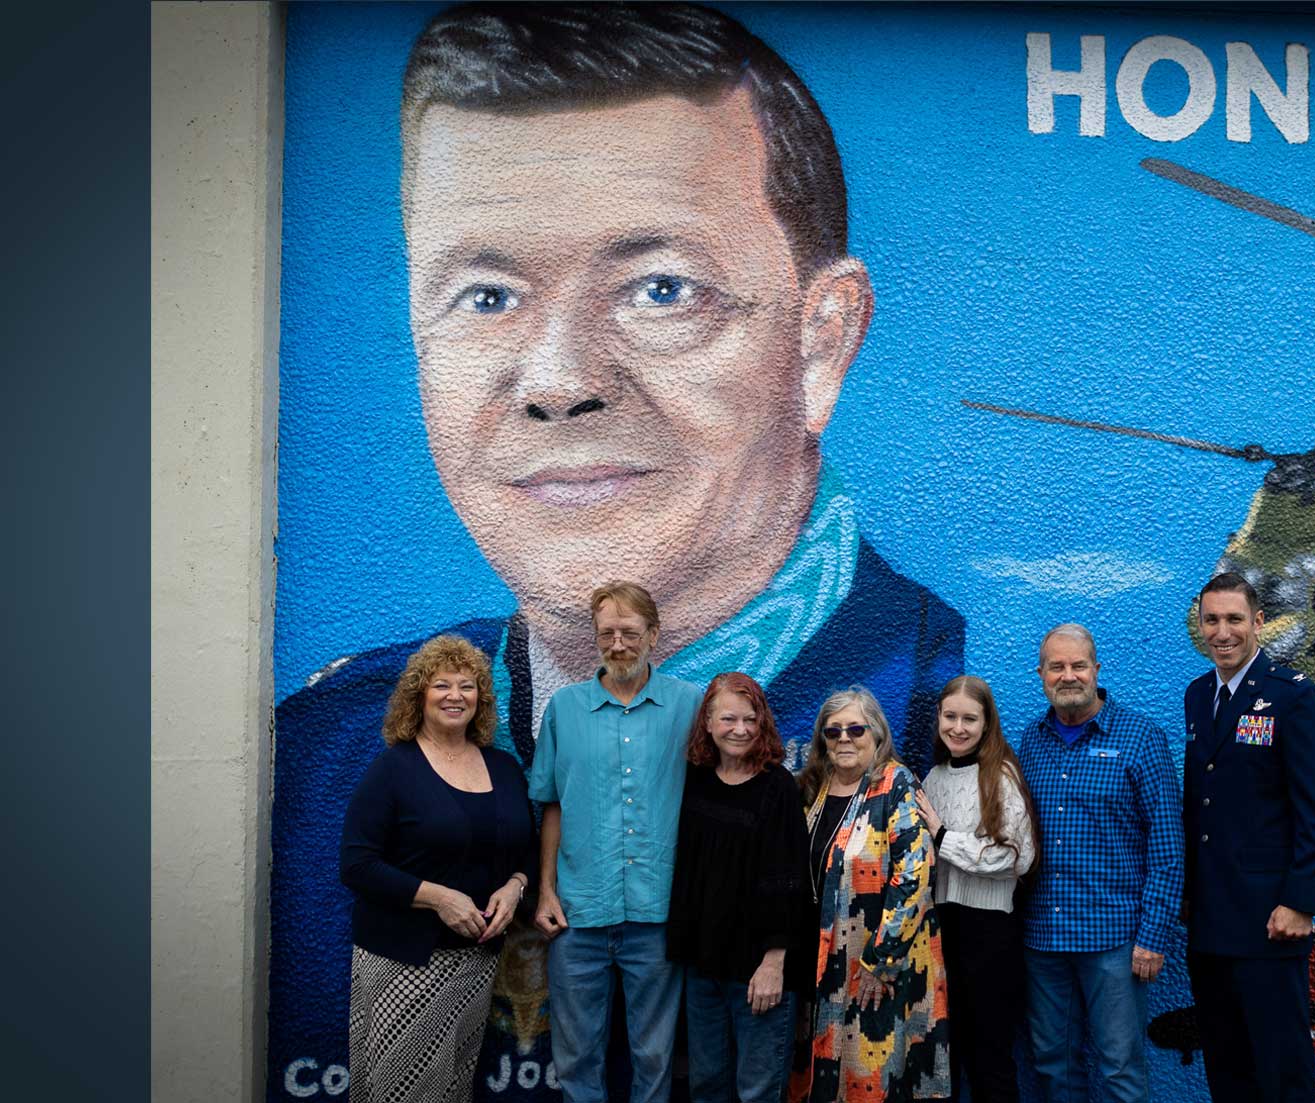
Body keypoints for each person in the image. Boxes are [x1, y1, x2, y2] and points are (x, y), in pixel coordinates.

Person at [268, 4, 964, 1080]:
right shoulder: (315, 758)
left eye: (659, 289)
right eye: (485, 295)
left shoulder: (944, 720)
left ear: (821, 343)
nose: (556, 381)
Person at [527, 581, 704, 1103]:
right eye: (608, 633)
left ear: (653, 634)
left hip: (657, 913)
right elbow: (552, 803)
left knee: (654, 1055)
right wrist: (546, 889)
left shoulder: (688, 705)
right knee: (577, 1055)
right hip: (578, 913)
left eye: (630, 632)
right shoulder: (565, 708)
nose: (618, 643)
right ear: (596, 638)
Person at [339, 635, 536, 1103]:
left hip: (475, 962)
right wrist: (439, 897)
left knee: (451, 1088)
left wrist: (515, 887)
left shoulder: (503, 767)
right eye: (441, 685)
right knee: (401, 1091)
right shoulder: (393, 769)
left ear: (480, 699)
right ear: (419, 697)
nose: (455, 696)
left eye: (466, 686)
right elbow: (357, 864)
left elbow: (525, 850)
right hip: (404, 961)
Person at [1181, 573, 1315, 1103]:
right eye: (1212, 620)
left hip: (1269, 920)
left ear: (1259, 622)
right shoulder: (1198, 695)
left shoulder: (1292, 697)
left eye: (1234, 619)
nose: (1222, 632)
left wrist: (1300, 901)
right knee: (1227, 1067)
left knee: (1280, 1068)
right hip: (1209, 919)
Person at [1016, 625, 1181, 1103]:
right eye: (1057, 667)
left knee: (1119, 1069)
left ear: (1096, 670)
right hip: (1042, 939)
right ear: (1042, 674)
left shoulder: (1141, 739)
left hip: (1115, 942)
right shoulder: (1033, 741)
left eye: (1078, 665)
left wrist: (1153, 937)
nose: (1068, 676)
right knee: (1052, 1063)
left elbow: (1168, 848)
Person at [793, 687, 951, 1103]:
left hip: (878, 966)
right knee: (822, 1074)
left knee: (874, 1074)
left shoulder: (895, 782)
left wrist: (881, 961)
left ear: (877, 734)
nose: (844, 738)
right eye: (833, 731)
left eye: (856, 728)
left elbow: (915, 873)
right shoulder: (816, 788)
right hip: (823, 961)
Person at [667, 672, 811, 1103]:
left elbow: (790, 879)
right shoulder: (695, 780)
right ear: (708, 722)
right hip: (704, 966)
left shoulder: (778, 787)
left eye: (750, 719)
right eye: (728, 719)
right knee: (707, 1085)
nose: (741, 729)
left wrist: (774, 962)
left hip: (759, 970)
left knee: (758, 1090)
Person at [918, 675, 1038, 1103]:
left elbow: (1013, 857)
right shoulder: (932, 778)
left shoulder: (1000, 776)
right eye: (950, 716)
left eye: (970, 719)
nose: (958, 727)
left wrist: (943, 835)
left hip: (989, 934)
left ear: (987, 724)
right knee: (946, 1056)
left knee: (991, 1059)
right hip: (941, 930)